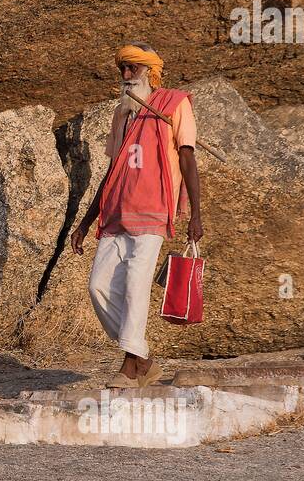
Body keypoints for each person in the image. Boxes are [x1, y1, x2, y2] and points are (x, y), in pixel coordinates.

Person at [69, 43, 204, 388]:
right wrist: (85, 222)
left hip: (154, 209)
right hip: (115, 213)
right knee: (98, 286)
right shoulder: (122, 114)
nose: (127, 76)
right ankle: (142, 356)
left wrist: (194, 215)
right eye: (123, 70)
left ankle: (130, 366)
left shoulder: (175, 104)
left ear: (150, 72)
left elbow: (187, 158)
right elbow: (113, 170)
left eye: (133, 69)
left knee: (135, 285)